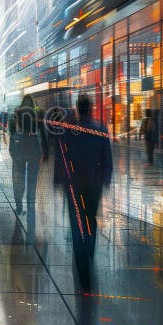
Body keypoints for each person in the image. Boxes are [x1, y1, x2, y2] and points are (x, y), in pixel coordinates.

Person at [55, 95, 112, 291]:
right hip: (93, 184)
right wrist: (106, 179)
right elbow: (107, 159)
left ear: (78, 109)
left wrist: (58, 179)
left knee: (76, 221)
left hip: (73, 184)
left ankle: (81, 261)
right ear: (91, 108)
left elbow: (61, 158)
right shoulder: (101, 130)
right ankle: (89, 250)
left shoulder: (68, 131)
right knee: (91, 219)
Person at [8, 94, 48, 215]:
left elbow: (11, 132)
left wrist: (12, 150)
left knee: (18, 180)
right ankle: (30, 207)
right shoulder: (37, 114)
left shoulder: (16, 114)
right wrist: (43, 152)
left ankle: (19, 207)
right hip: (33, 150)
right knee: (32, 181)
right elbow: (41, 133)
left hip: (18, 150)